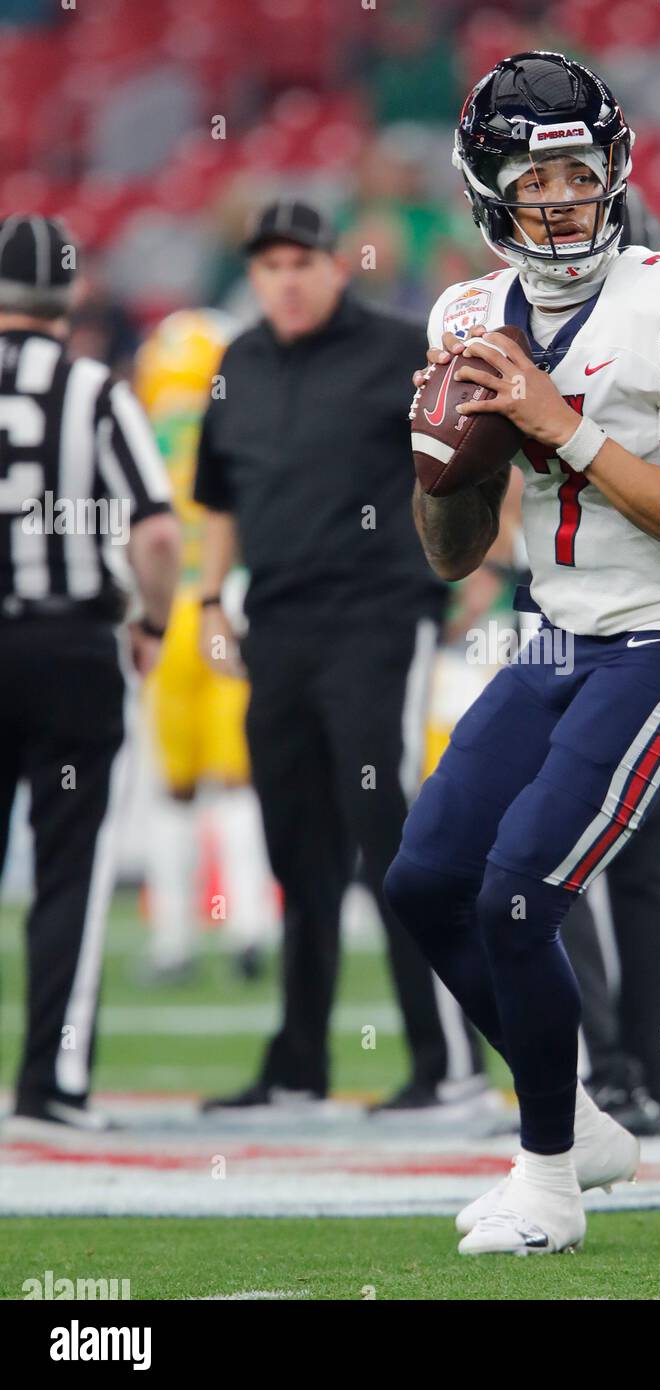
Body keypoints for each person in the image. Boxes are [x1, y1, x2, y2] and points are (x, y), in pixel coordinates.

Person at [383, 52, 660, 1255]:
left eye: (578, 172)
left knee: (517, 892)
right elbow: (447, 553)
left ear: (614, 174)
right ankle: (578, 1120)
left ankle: (547, 1175)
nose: (559, 197)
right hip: (557, 633)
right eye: (533, 174)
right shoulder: (463, 316)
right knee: (426, 882)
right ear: (487, 187)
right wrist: (448, 461)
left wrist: (557, 422)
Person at [193, 199, 490, 1119]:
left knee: (386, 829)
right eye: (269, 265)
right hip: (275, 620)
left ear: (336, 265)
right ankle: (297, 1064)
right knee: (295, 845)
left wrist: (481, 567)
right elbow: (218, 498)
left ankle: (447, 1064)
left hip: (376, 616)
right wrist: (209, 599)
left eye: (301, 262)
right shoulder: (236, 363)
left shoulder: (403, 348)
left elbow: (480, 453)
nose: (285, 280)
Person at [0, 214, 179, 1133]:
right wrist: (151, 621)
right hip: (69, 649)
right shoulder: (93, 391)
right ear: (70, 295)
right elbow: (155, 531)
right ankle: (51, 1084)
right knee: (72, 871)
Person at [135, 309, 275, 983]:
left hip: (166, 606)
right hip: (229, 599)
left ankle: (173, 940)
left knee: (175, 789)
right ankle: (250, 924)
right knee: (239, 780)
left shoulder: (142, 423)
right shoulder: (245, 416)